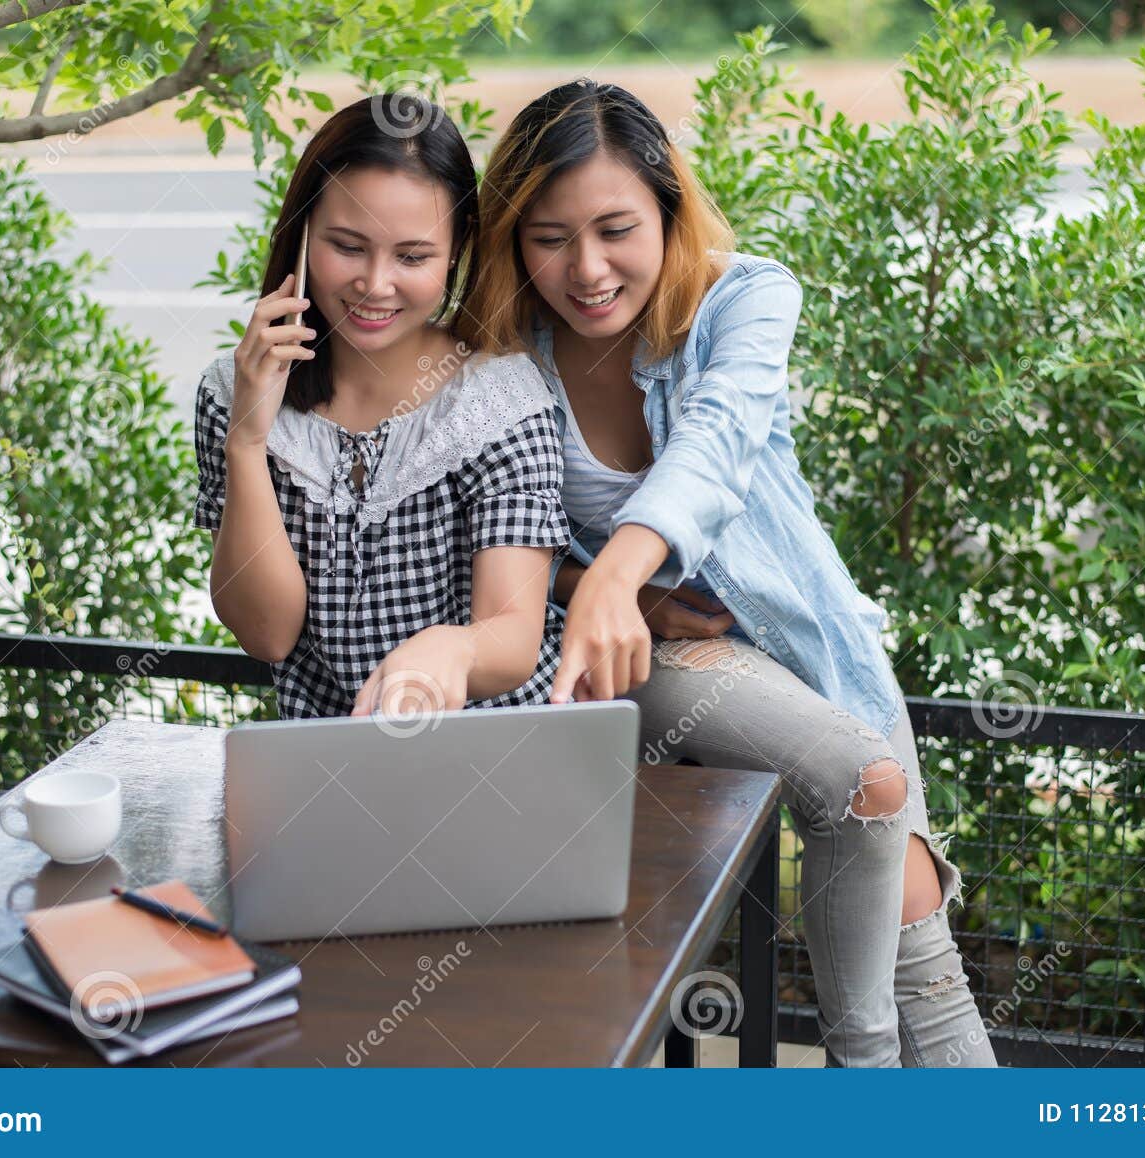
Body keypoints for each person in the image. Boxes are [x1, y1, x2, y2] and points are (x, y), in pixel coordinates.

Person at [461, 78, 997, 1067]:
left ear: (668, 209)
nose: (585, 268)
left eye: (616, 228)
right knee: (862, 782)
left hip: (810, 637)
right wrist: (599, 593)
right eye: (547, 237)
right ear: (510, 237)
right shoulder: (502, 355)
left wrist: (615, 568)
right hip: (667, 654)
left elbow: (711, 446)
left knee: (920, 940)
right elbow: (486, 541)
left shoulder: (744, 297)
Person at [192, 94, 570, 720]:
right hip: (330, 761)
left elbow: (512, 639)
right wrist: (247, 443)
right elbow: (267, 635)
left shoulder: (498, 399)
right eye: (347, 246)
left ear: (457, 251)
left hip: (492, 747)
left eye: (412, 257)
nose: (375, 283)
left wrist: (443, 650)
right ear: (303, 234)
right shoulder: (231, 393)